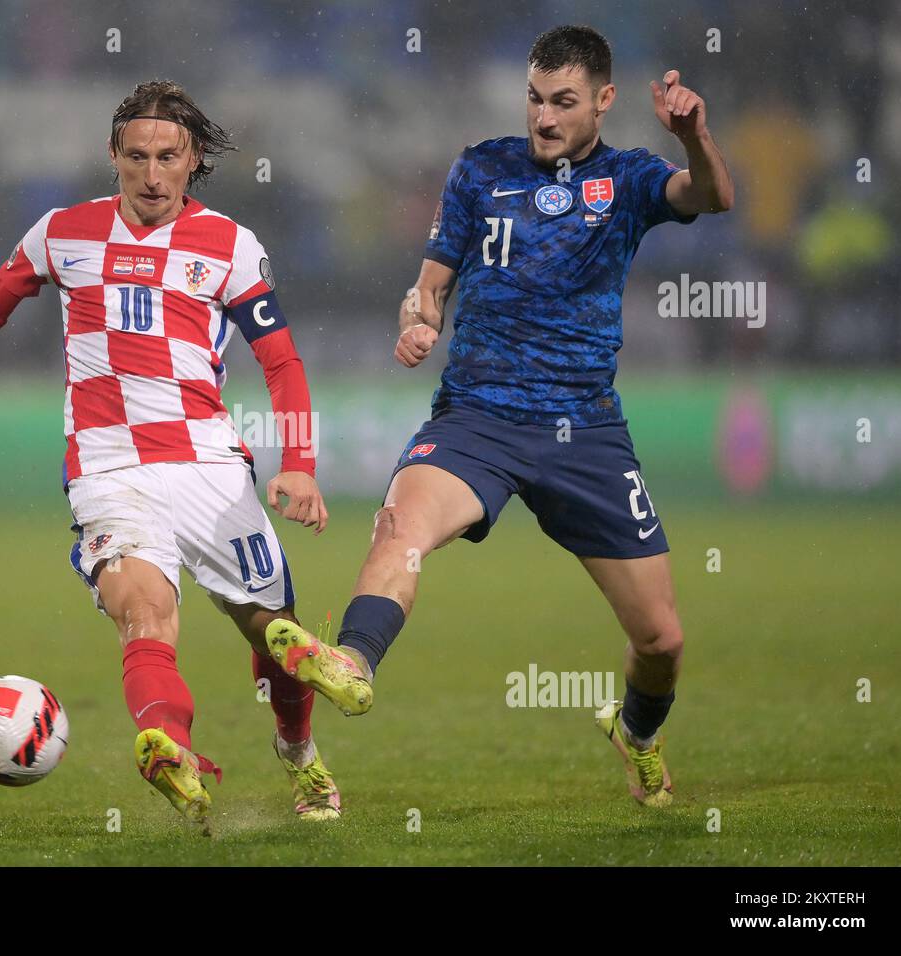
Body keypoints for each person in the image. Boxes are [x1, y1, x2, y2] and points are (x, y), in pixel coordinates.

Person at [266, 26, 734, 808]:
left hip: (585, 432)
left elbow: (712, 197)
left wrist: (695, 136)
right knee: (400, 527)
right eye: (534, 98)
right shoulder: (481, 170)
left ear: (604, 102)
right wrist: (418, 318)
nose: (544, 118)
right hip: (476, 420)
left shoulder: (629, 178)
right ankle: (351, 661)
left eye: (564, 102)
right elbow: (429, 285)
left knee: (662, 640)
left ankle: (639, 734)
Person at [0, 80, 347, 833]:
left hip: (208, 465)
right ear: (114, 156)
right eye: (137, 157)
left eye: (169, 157)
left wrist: (300, 461)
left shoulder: (230, 244)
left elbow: (282, 360)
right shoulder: (62, 232)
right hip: (106, 468)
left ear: (192, 158)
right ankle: (172, 748)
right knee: (144, 616)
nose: (153, 175)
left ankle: (298, 752)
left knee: (271, 633)